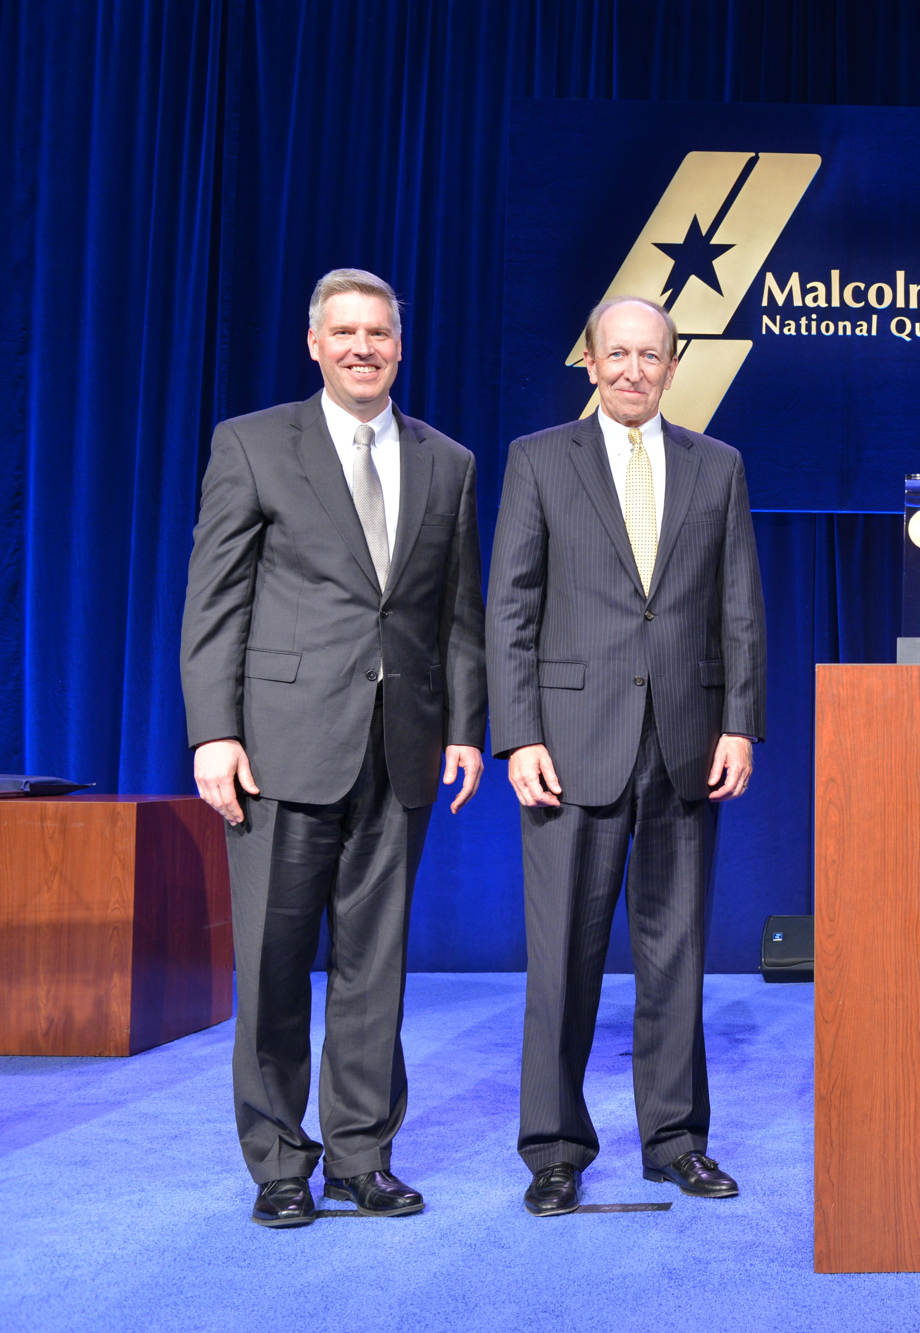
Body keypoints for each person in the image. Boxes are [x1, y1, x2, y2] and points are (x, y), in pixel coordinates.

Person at [181, 268, 487, 1228]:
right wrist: (213, 733)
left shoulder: (449, 463)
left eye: (380, 333)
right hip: (280, 750)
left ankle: (361, 1155)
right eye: (344, 332)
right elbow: (215, 601)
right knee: (273, 964)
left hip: (399, 752)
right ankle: (279, 1161)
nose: (363, 347)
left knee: (375, 966)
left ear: (402, 345)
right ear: (314, 343)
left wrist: (467, 729)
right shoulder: (253, 444)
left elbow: (458, 618)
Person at [488, 296, 766, 1217]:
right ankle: (556, 1150)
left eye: (651, 355)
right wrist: (519, 734)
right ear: (592, 360)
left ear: (673, 364)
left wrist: (739, 722)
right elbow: (510, 610)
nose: (634, 369)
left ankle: (677, 1139)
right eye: (619, 353)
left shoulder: (717, 465)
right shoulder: (538, 460)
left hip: (686, 744)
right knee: (561, 956)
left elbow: (739, 607)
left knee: (677, 954)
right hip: (569, 748)